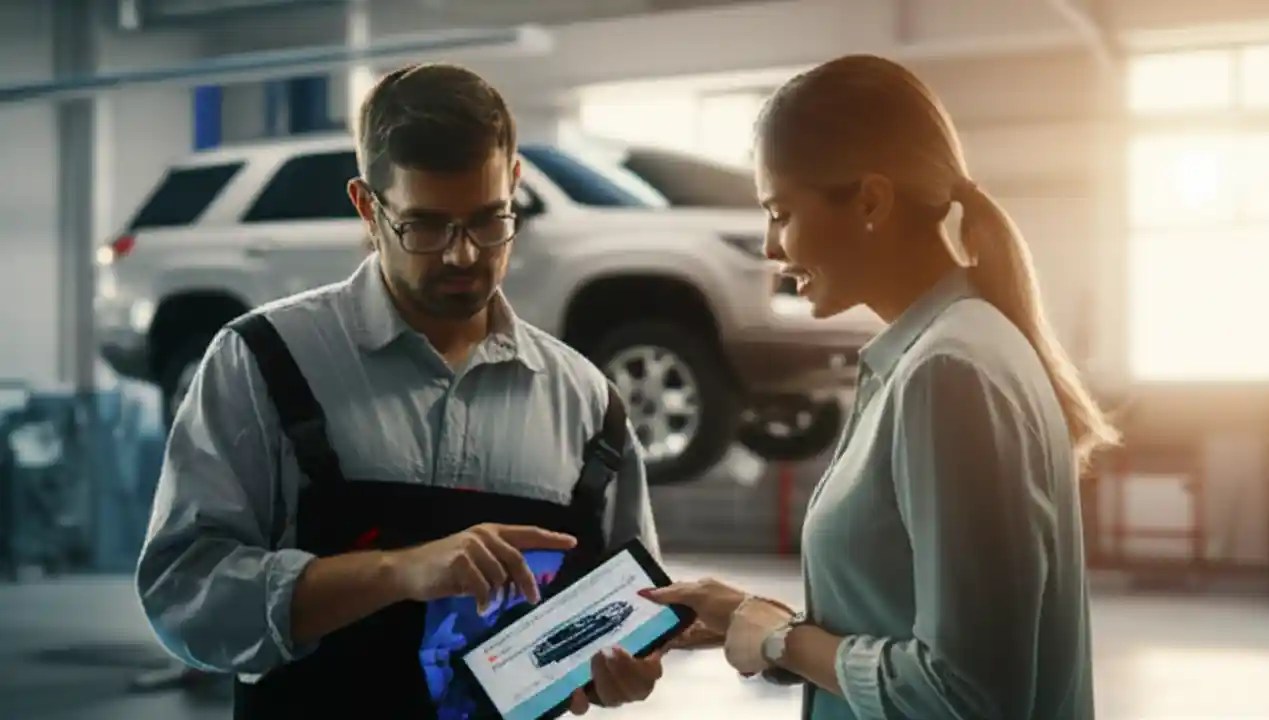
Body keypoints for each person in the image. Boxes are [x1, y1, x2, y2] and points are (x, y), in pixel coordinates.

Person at [136, 63, 667, 719]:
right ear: (367, 206)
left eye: (487, 220)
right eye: (426, 226)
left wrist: (624, 667)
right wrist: (401, 572)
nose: (462, 255)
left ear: (515, 186)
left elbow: (630, 610)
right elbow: (184, 596)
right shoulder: (264, 364)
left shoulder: (587, 406)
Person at [643, 54, 1120, 720]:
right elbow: (908, 623)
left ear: (870, 200)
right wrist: (755, 621)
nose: (771, 248)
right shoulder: (951, 352)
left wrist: (778, 638)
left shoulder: (948, 373)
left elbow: (967, 695)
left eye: (780, 212)